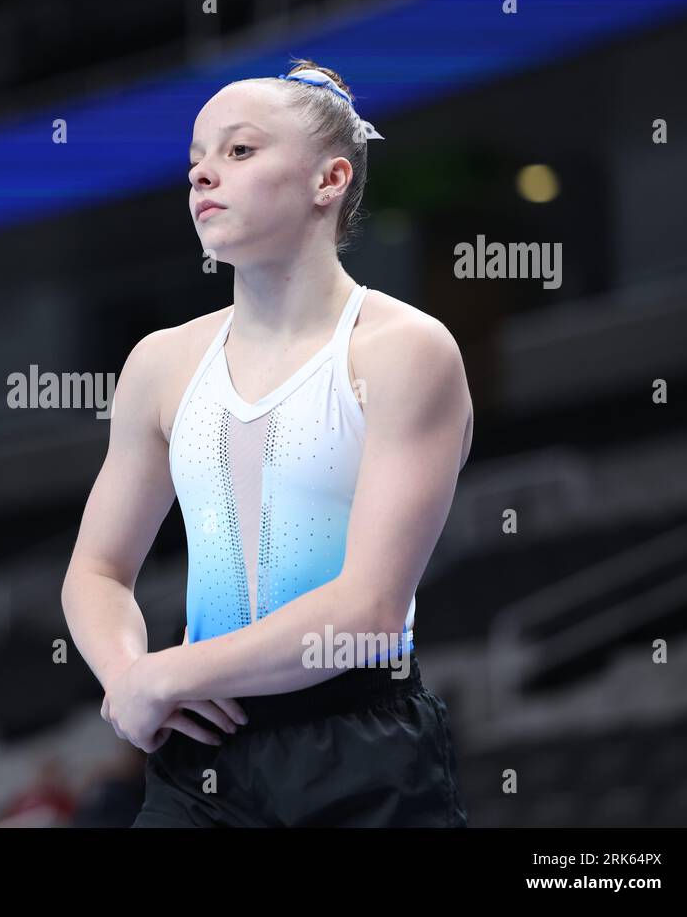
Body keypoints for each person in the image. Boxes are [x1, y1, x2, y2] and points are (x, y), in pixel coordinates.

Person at [60, 59, 472, 826]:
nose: (204, 176)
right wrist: (127, 676)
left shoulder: (403, 349)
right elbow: (97, 569)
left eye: (239, 152)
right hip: (199, 760)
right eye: (196, 162)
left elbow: (370, 609)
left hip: (359, 746)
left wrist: (170, 671)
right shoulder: (161, 364)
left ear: (330, 179)